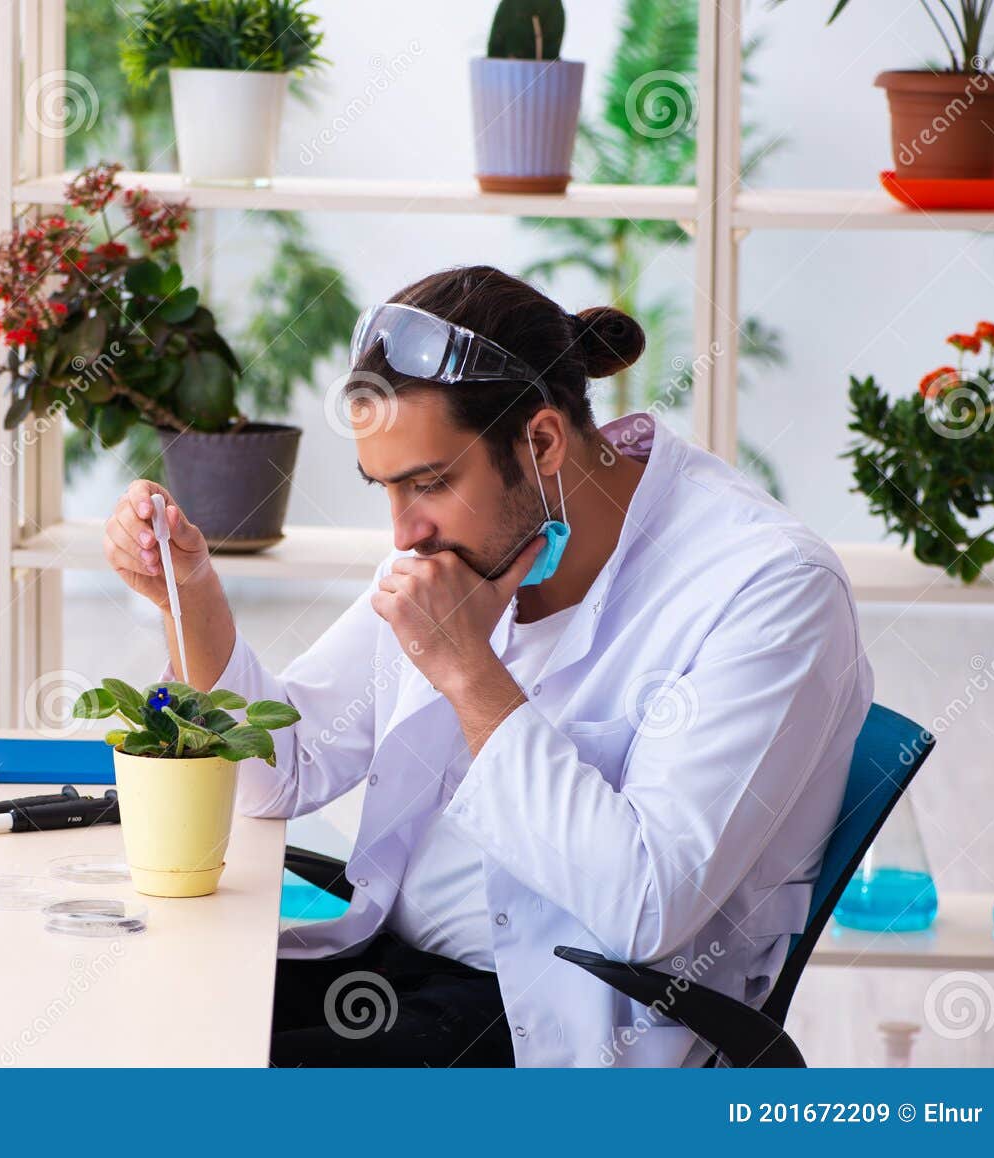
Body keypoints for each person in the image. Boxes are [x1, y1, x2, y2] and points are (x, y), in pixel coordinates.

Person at [101, 265, 873, 1067]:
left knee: (196, 1082)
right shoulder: (467, 543)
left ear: (541, 442)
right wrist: (191, 596)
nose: (403, 533)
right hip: (394, 972)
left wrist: (468, 671)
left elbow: (647, 905)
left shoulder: (767, 587)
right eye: (385, 487)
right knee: (136, 1022)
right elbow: (283, 771)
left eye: (429, 482)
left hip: (558, 1026)